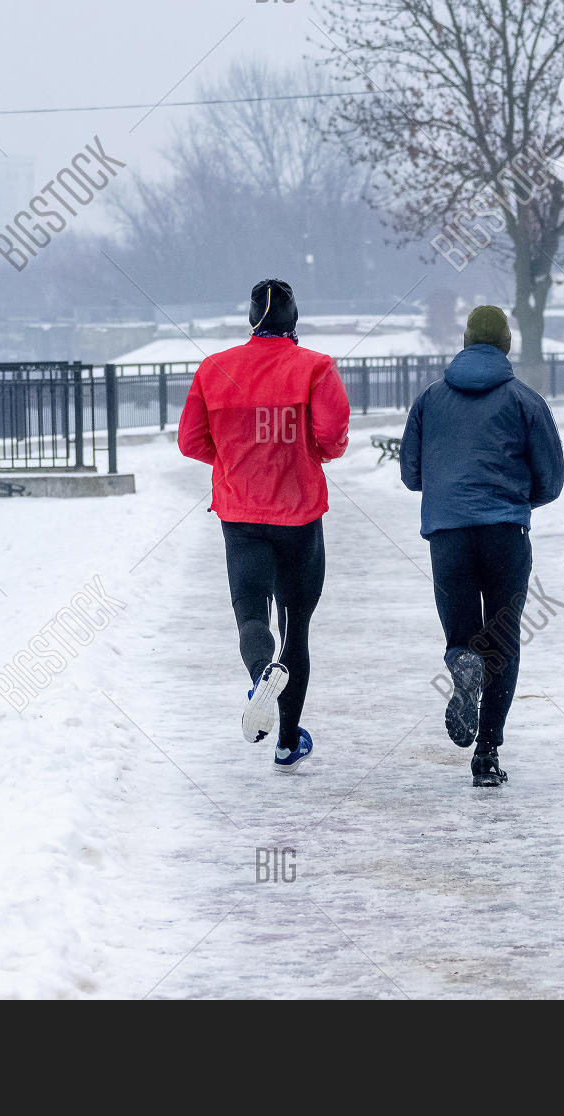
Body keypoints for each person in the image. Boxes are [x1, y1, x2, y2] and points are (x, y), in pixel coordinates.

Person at [177, 278, 350, 773]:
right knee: (296, 626)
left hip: (240, 514)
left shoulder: (214, 369)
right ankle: (288, 741)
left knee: (249, 608)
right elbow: (332, 436)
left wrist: (231, 458)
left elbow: (190, 440)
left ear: (251, 319)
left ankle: (259, 675)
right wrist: (311, 453)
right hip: (299, 512)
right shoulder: (315, 367)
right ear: (293, 320)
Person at [401, 306, 564, 787]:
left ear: (466, 340)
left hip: (448, 534)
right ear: (507, 344)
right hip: (505, 536)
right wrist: (514, 500)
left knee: (462, 636)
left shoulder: (430, 400)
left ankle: (460, 662)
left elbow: (411, 474)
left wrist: (447, 487)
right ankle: (487, 755)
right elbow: (551, 480)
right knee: (503, 642)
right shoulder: (525, 401)